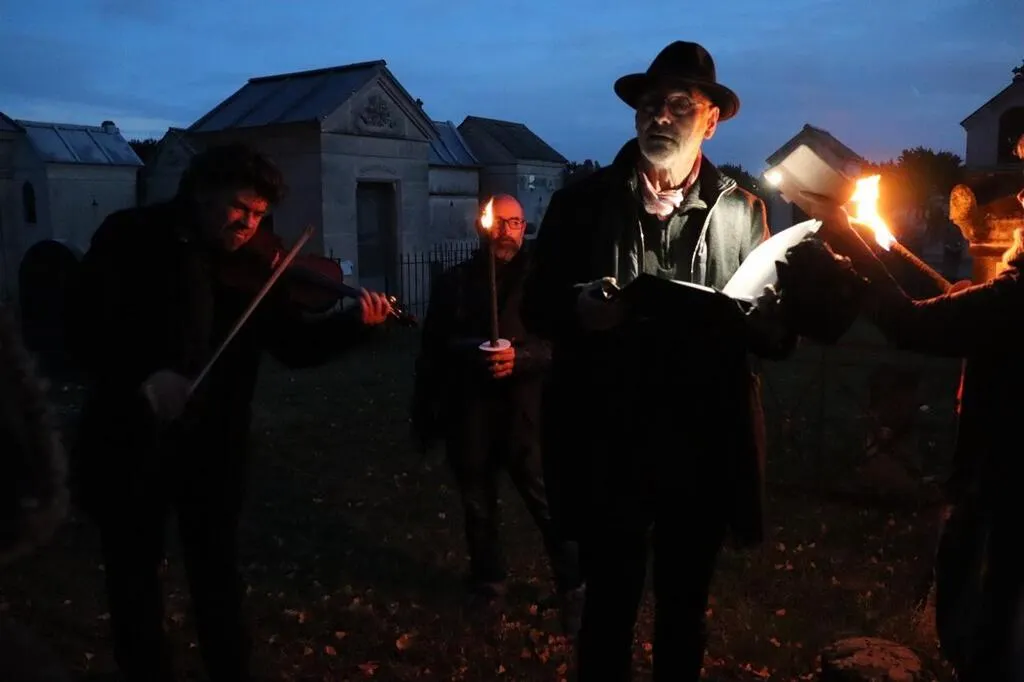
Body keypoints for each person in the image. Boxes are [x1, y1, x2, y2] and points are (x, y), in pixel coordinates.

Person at [521, 41, 795, 681]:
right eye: (650, 104)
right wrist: (578, 306)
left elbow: (768, 326)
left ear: (711, 120)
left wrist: (776, 312)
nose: (660, 117)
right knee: (608, 609)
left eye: (679, 105)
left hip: (699, 446)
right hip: (608, 440)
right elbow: (536, 305)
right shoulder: (582, 204)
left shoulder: (742, 210)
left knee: (684, 611)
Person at [66, 143, 393, 682]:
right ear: (202, 191)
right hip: (130, 435)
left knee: (216, 569)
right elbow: (80, 330)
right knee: (132, 573)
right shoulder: (130, 237)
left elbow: (293, 346)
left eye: (260, 214)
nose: (249, 225)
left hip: (215, 443)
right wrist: (143, 378)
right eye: (240, 208)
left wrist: (354, 325)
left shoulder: (256, 263)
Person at [790, 137, 1024, 682]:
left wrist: (849, 240)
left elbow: (913, 324)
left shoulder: (1016, 297)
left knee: (994, 638)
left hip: (1005, 489)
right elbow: (959, 314)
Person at [411, 194, 584, 633]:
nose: (506, 231)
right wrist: (468, 356)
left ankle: (574, 587)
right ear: (482, 227)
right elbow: (434, 347)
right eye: (498, 223)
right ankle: (489, 582)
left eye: (515, 223)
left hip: (528, 413)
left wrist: (521, 357)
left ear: (525, 228)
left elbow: (564, 344)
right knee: (478, 505)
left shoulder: (544, 281)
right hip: (470, 413)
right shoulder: (455, 282)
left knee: (549, 504)